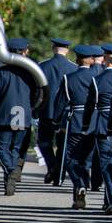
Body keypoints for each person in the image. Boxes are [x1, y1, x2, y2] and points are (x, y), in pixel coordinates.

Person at [36, 38, 77, 183]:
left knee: (44, 142)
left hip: (46, 110)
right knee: (62, 145)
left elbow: (38, 90)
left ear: (53, 48)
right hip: (65, 113)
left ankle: (52, 168)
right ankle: (57, 171)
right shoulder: (74, 68)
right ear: (67, 50)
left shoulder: (43, 66)